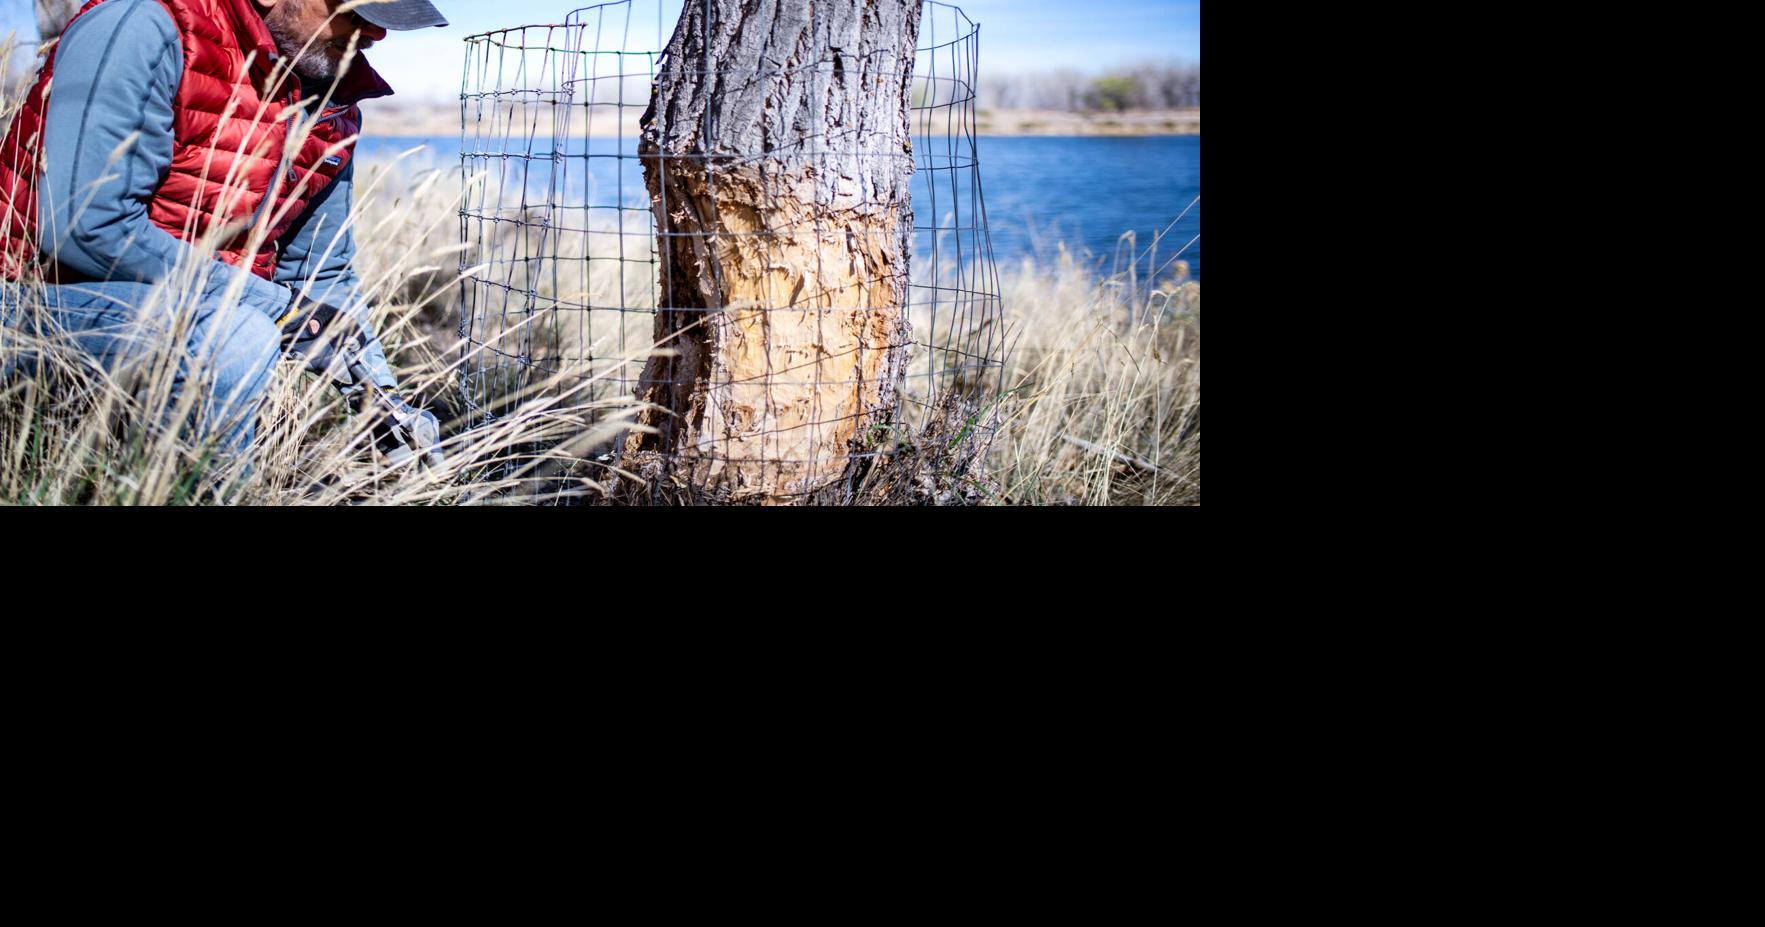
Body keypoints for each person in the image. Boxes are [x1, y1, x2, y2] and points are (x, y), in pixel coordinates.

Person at [0, 0, 449, 472]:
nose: (377, 35)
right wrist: (279, 309)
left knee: (236, 333)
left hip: (183, 327)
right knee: (236, 336)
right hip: (32, 304)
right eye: (357, 14)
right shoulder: (144, 25)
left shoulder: (333, 106)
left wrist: (382, 400)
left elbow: (321, 274)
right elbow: (84, 226)